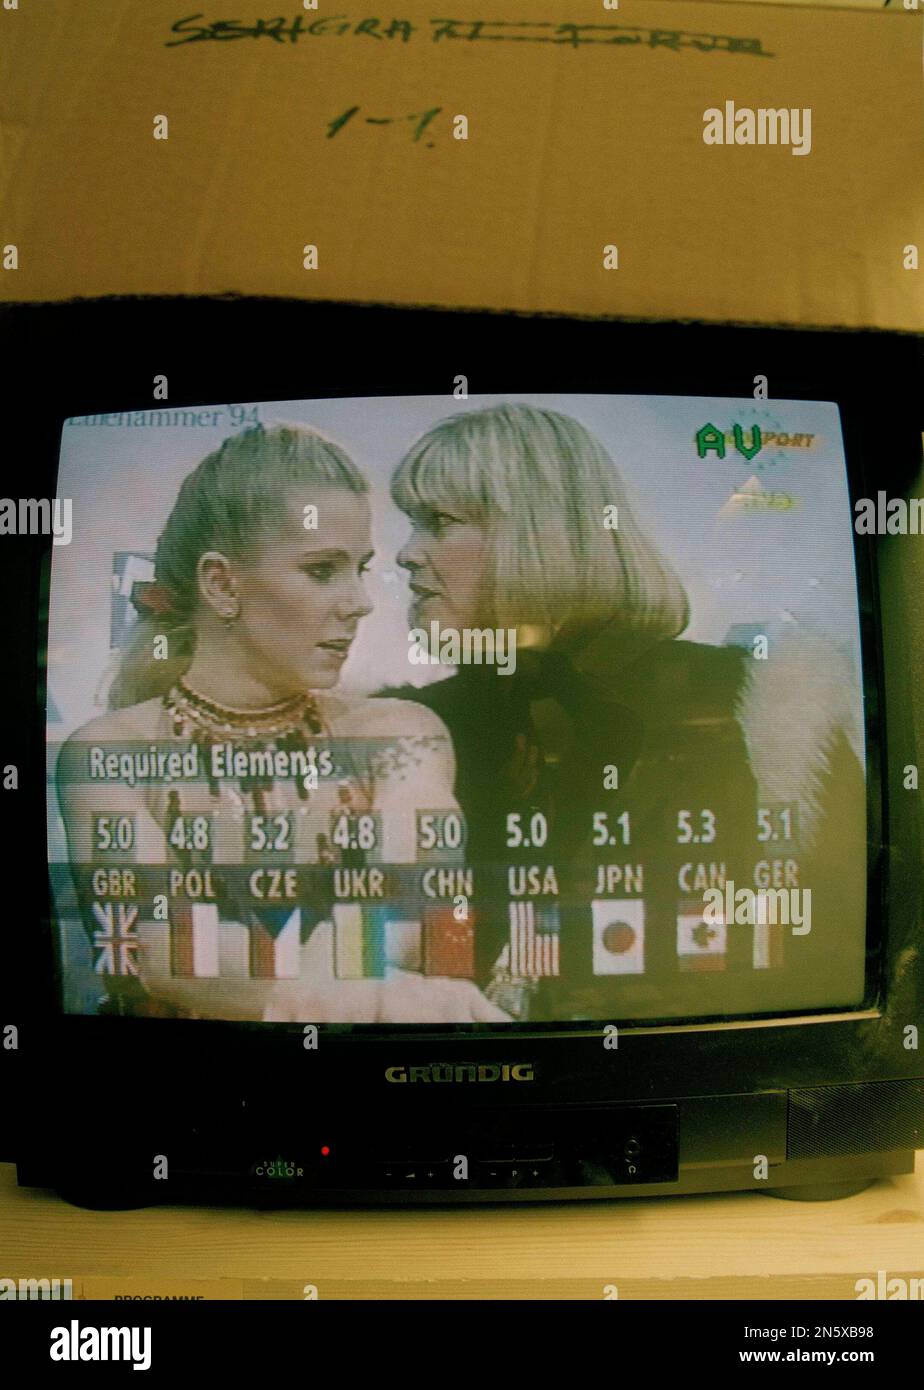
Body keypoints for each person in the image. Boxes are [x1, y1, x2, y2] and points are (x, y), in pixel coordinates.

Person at [382, 402, 867, 1020]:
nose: (406, 554)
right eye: (411, 524)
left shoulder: (759, 708)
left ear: (532, 532)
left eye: (438, 522)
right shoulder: (409, 727)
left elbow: (812, 960)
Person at [56, 423, 510, 1023]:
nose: (360, 601)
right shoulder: (104, 751)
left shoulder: (400, 733)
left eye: (361, 568)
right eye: (322, 570)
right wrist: (368, 991)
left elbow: (423, 919)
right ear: (221, 582)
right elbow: (162, 952)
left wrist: (264, 983)